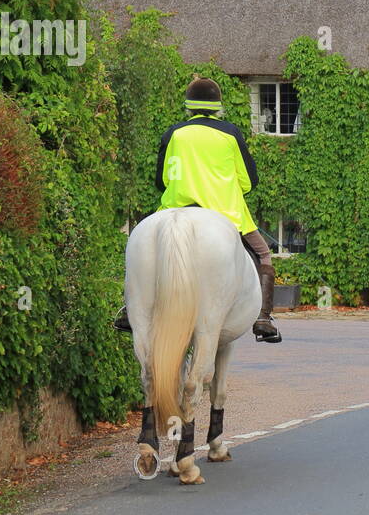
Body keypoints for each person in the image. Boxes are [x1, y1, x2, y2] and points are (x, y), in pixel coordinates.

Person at [114, 77, 281, 343]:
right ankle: (263, 318)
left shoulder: (174, 133)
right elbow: (249, 182)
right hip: (226, 212)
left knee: (139, 248)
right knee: (263, 254)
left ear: (188, 107)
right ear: (217, 106)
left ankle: (129, 309)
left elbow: (162, 180)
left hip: (175, 207)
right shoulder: (230, 133)